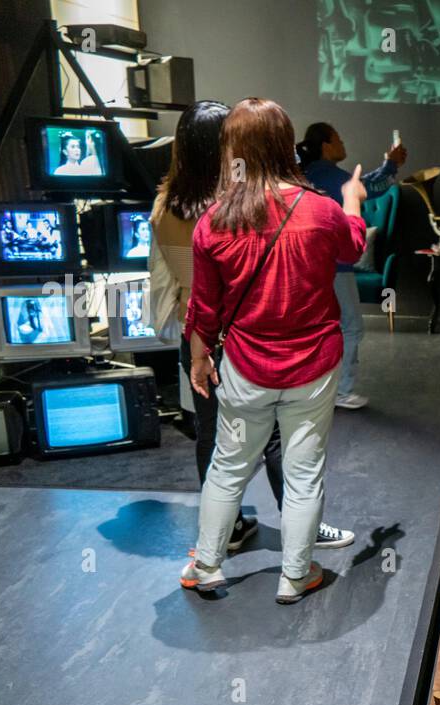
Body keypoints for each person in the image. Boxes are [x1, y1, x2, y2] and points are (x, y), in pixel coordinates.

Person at [181, 98, 367, 604]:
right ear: (286, 147)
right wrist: (352, 198)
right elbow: (354, 246)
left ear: (233, 150)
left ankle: (208, 566)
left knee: (227, 467)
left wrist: (200, 358)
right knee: (304, 473)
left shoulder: (213, 221)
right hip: (314, 367)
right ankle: (295, 575)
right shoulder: (321, 212)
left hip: (245, 370)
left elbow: (204, 307)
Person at [150, 99, 283, 552]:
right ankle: (302, 527)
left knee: (210, 432)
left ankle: (223, 527)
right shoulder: (233, 207)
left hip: (197, 335)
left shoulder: (165, 203)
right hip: (243, 331)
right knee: (274, 433)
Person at [297, 121, 408, 410]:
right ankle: (342, 391)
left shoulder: (308, 174)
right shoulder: (327, 174)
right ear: (326, 145)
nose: (343, 144)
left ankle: (312, 388)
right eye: (339, 139)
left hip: (306, 266)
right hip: (334, 266)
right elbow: (367, 189)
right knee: (351, 327)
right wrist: (391, 165)